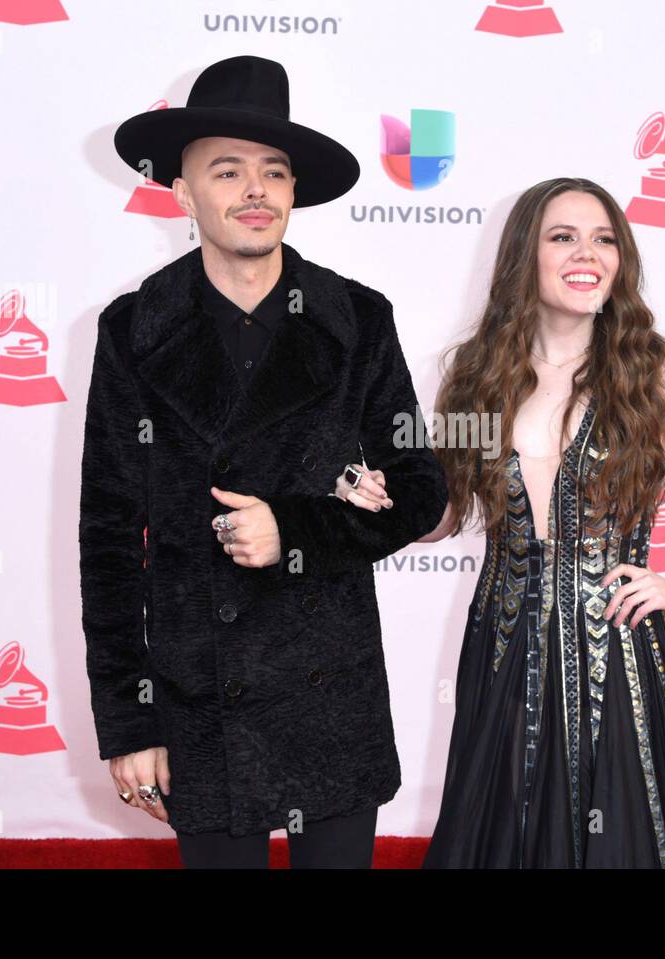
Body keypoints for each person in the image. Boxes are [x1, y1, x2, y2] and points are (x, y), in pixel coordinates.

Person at [335, 177, 665, 867]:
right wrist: (386, 499)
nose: (588, 253)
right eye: (563, 236)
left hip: (627, 650)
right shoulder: (479, 379)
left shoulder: (655, 372)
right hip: (504, 644)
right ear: (525, 255)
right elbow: (447, 514)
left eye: (604, 238)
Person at [80, 55, 448, 868]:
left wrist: (298, 528)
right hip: (199, 700)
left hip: (332, 692)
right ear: (182, 191)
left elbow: (422, 491)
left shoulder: (357, 318)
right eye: (229, 170)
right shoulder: (133, 330)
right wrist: (131, 718)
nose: (256, 189)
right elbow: (108, 537)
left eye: (274, 171)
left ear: (293, 190)